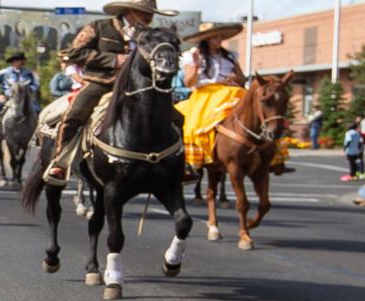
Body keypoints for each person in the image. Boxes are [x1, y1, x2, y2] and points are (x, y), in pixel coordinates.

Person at [44, 0, 174, 187]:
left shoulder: (152, 35)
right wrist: (114, 60)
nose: (150, 16)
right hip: (102, 83)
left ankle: (178, 163)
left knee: (175, 117)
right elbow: (75, 53)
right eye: (144, 11)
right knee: (73, 116)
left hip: (140, 87)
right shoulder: (98, 27)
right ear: (130, 11)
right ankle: (60, 163)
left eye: (152, 12)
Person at [172, 21, 241, 181]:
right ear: (206, 40)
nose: (219, 40)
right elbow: (189, 83)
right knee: (192, 126)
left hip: (230, 91)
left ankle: (266, 156)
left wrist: (234, 77)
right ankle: (193, 162)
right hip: (205, 94)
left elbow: (242, 78)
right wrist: (196, 66)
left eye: (220, 37)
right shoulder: (194, 56)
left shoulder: (230, 56)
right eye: (215, 37)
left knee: (252, 113)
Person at [0, 52, 39, 150]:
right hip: (8, 99)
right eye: (18, 60)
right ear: (13, 62)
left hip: (25, 99)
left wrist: (29, 89)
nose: (21, 62)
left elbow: (35, 85)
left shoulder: (28, 73)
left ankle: (36, 136)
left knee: (38, 111)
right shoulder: (3, 73)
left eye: (22, 60)